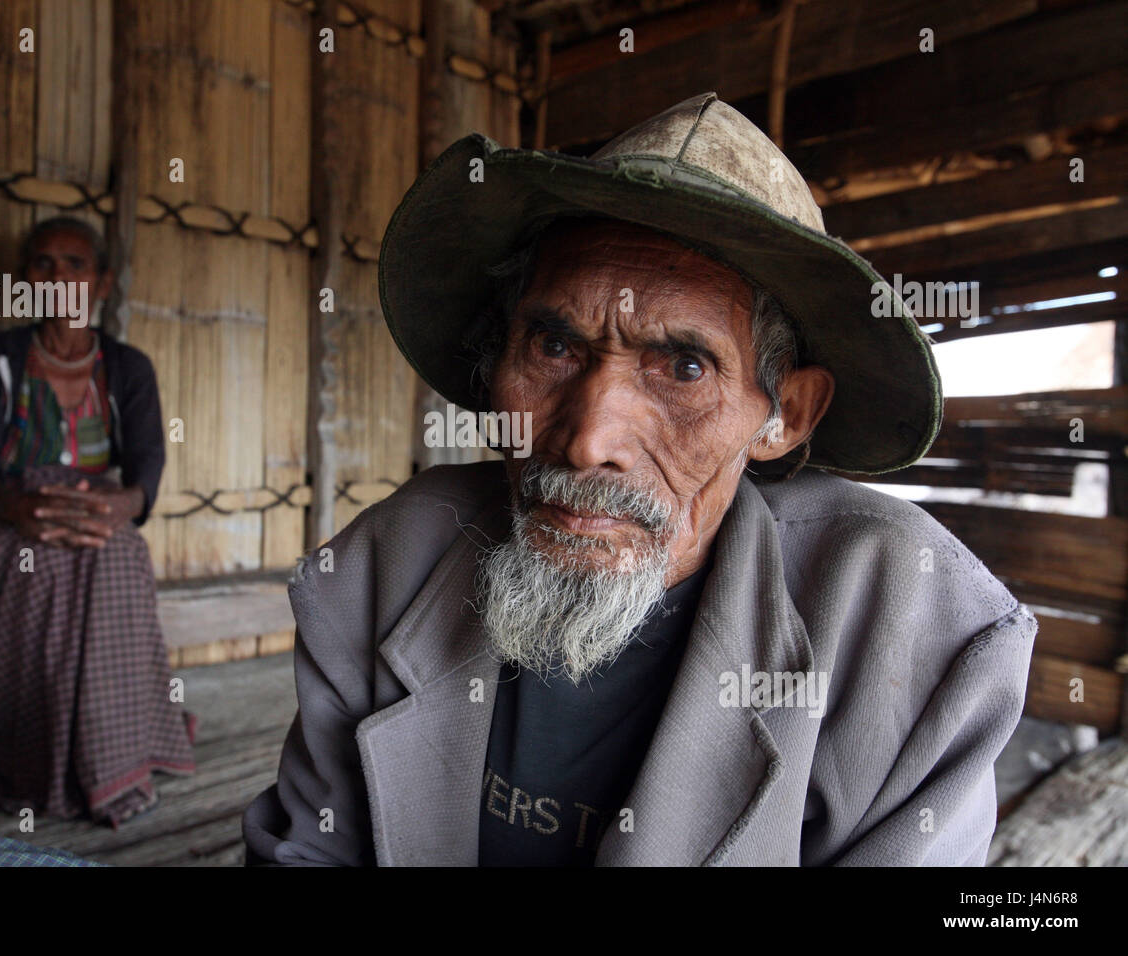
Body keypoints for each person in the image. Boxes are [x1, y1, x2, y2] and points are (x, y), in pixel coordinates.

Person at [243, 93, 1037, 866]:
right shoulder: (384, 565)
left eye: (683, 367)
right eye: (554, 347)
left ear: (784, 414)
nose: (588, 441)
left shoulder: (912, 627)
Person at [0, 216, 195, 829]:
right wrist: (20, 510)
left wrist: (122, 506)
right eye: (42, 264)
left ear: (102, 283)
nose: (58, 277)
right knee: (47, 566)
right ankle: (45, 768)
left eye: (75, 264)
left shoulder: (127, 368)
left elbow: (147, 468)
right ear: (25, 281)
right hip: (5, 523)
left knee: (117, 552)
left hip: (95, 517)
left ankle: (110, 758)